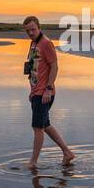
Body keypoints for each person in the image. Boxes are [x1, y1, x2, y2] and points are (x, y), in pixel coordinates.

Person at [23, 15, 75, 170]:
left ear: (39, 27)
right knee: (45, 125)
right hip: (36, 92)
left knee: (37, 128)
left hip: (44, 93)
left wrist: (48, 88)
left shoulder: (46, 43)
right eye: (28, 31)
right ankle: (67, 152)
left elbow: (54, 66)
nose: (31, 33)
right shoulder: (34, 43)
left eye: (33, 29)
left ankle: (33, 162)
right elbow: (34, 68)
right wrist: (32, 91)